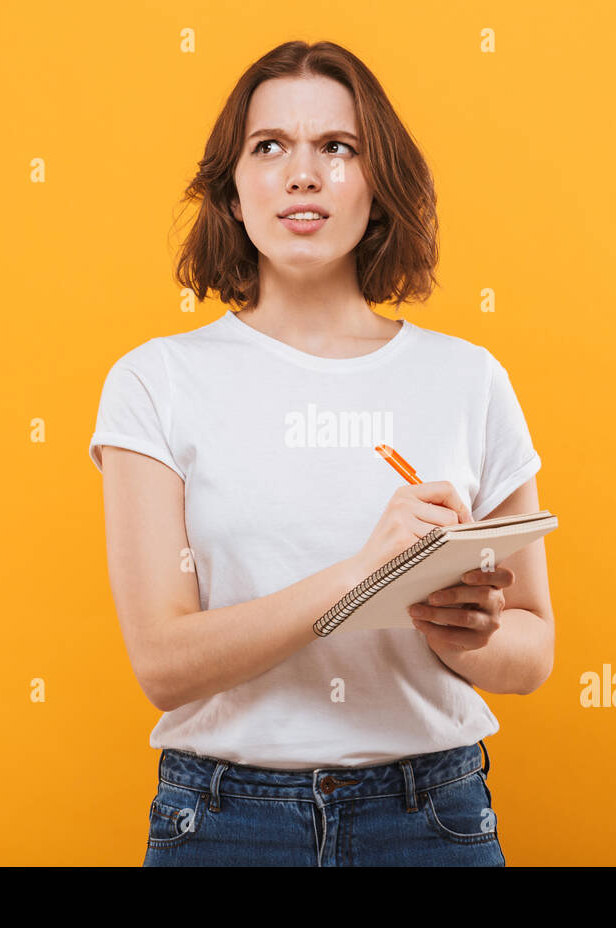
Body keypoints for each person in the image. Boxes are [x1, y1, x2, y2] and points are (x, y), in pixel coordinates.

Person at [89, 40, 554, 866]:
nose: (302, 175)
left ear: (377, 189)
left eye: (337, 149)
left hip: (431, 818)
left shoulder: (468, 378)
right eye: (269, 147)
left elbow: (532, 653)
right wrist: (361, 576)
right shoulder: (155, 381)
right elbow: (163, 663)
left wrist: (459, 628)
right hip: (224, 821)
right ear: (231, 189)